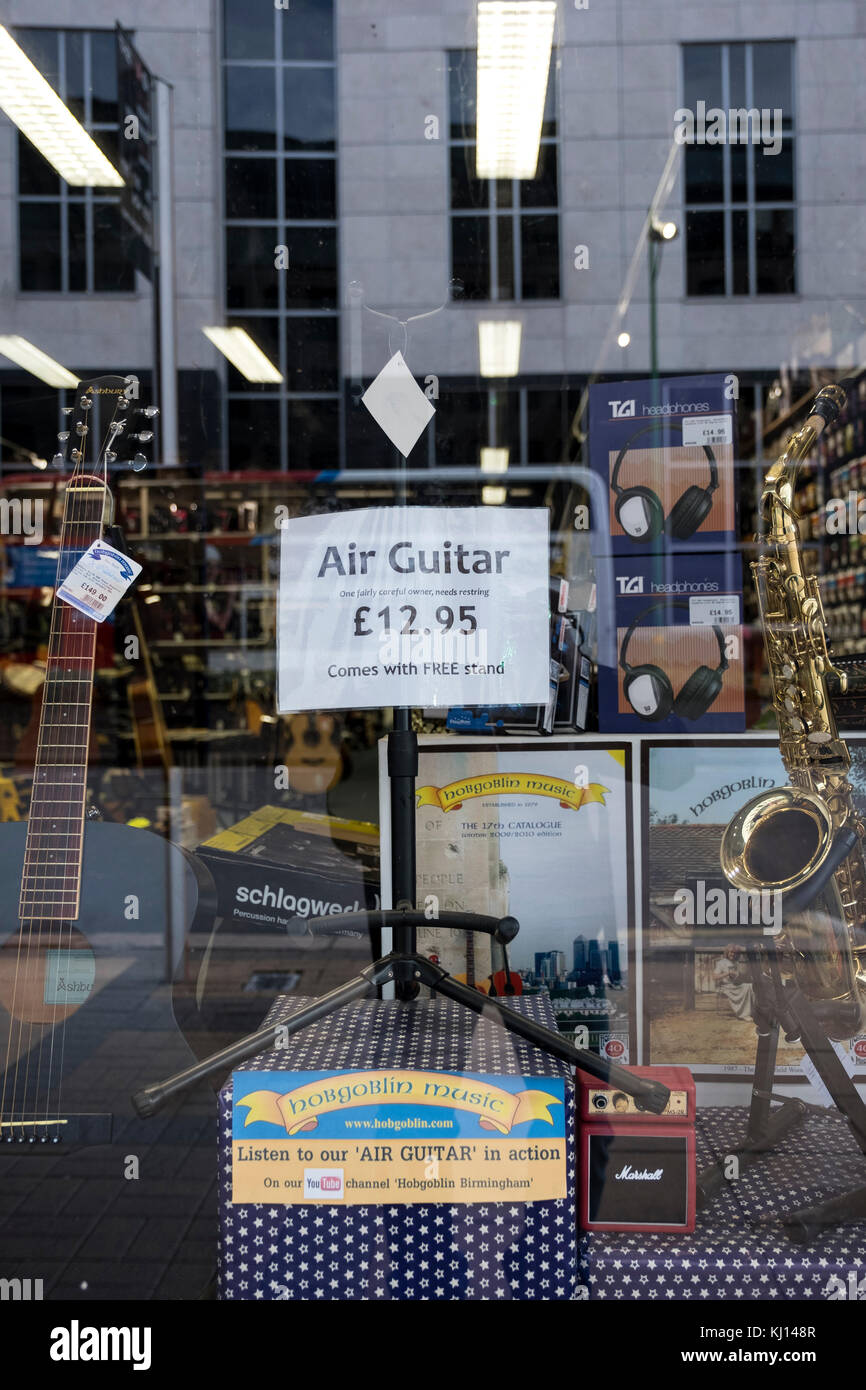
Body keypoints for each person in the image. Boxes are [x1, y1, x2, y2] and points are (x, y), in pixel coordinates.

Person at [714, 945, 755, 1021]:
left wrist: (739, 975)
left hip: (735, 984)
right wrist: (727, 973)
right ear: (727, 952)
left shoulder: (736, 962)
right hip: (726, 986)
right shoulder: (721, 962)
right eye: (731, 952)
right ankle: (744, 1014)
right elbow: (715, 977)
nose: (733, 954)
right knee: (746, 987)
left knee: (751, 986)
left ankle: (751, 1012)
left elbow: (737, 976)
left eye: (735, 953)